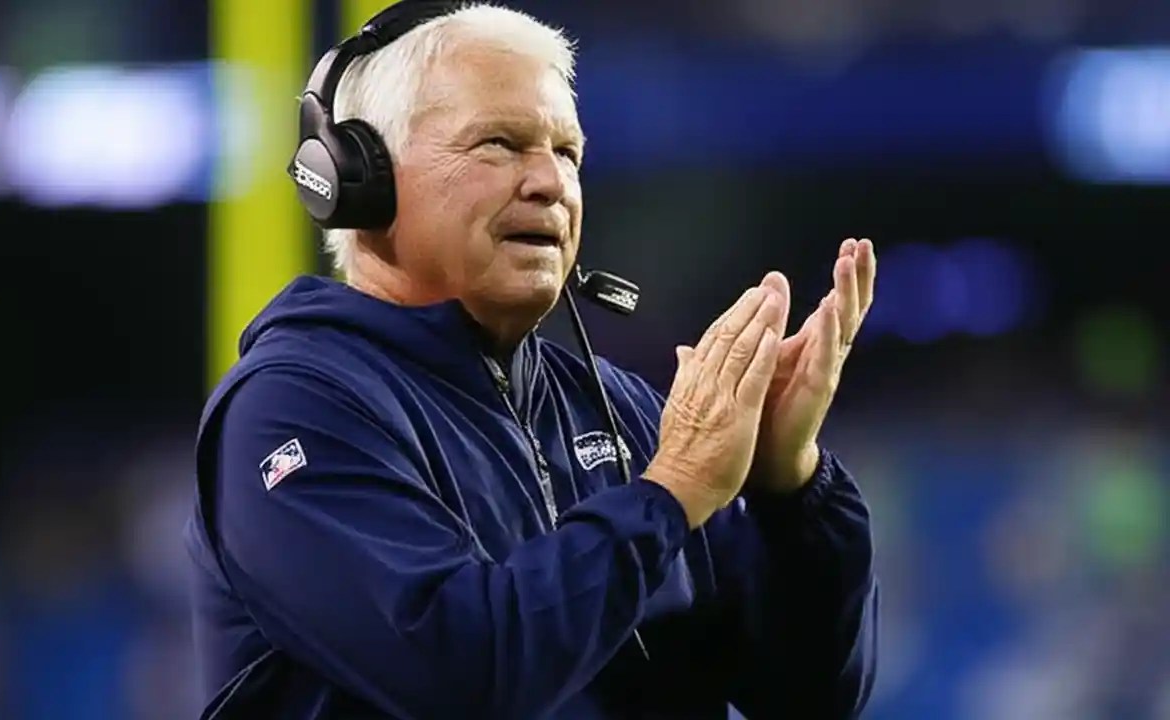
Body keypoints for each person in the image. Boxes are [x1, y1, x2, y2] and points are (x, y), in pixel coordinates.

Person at [185, 2, 879, 718]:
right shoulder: (292, 412)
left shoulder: (625, 410)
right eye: (499, 144)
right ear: (362, 177)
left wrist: (788, 492)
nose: (551, 183)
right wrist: (669, 492)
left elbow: (811, 696)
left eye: (567, 152)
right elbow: (459, 674)